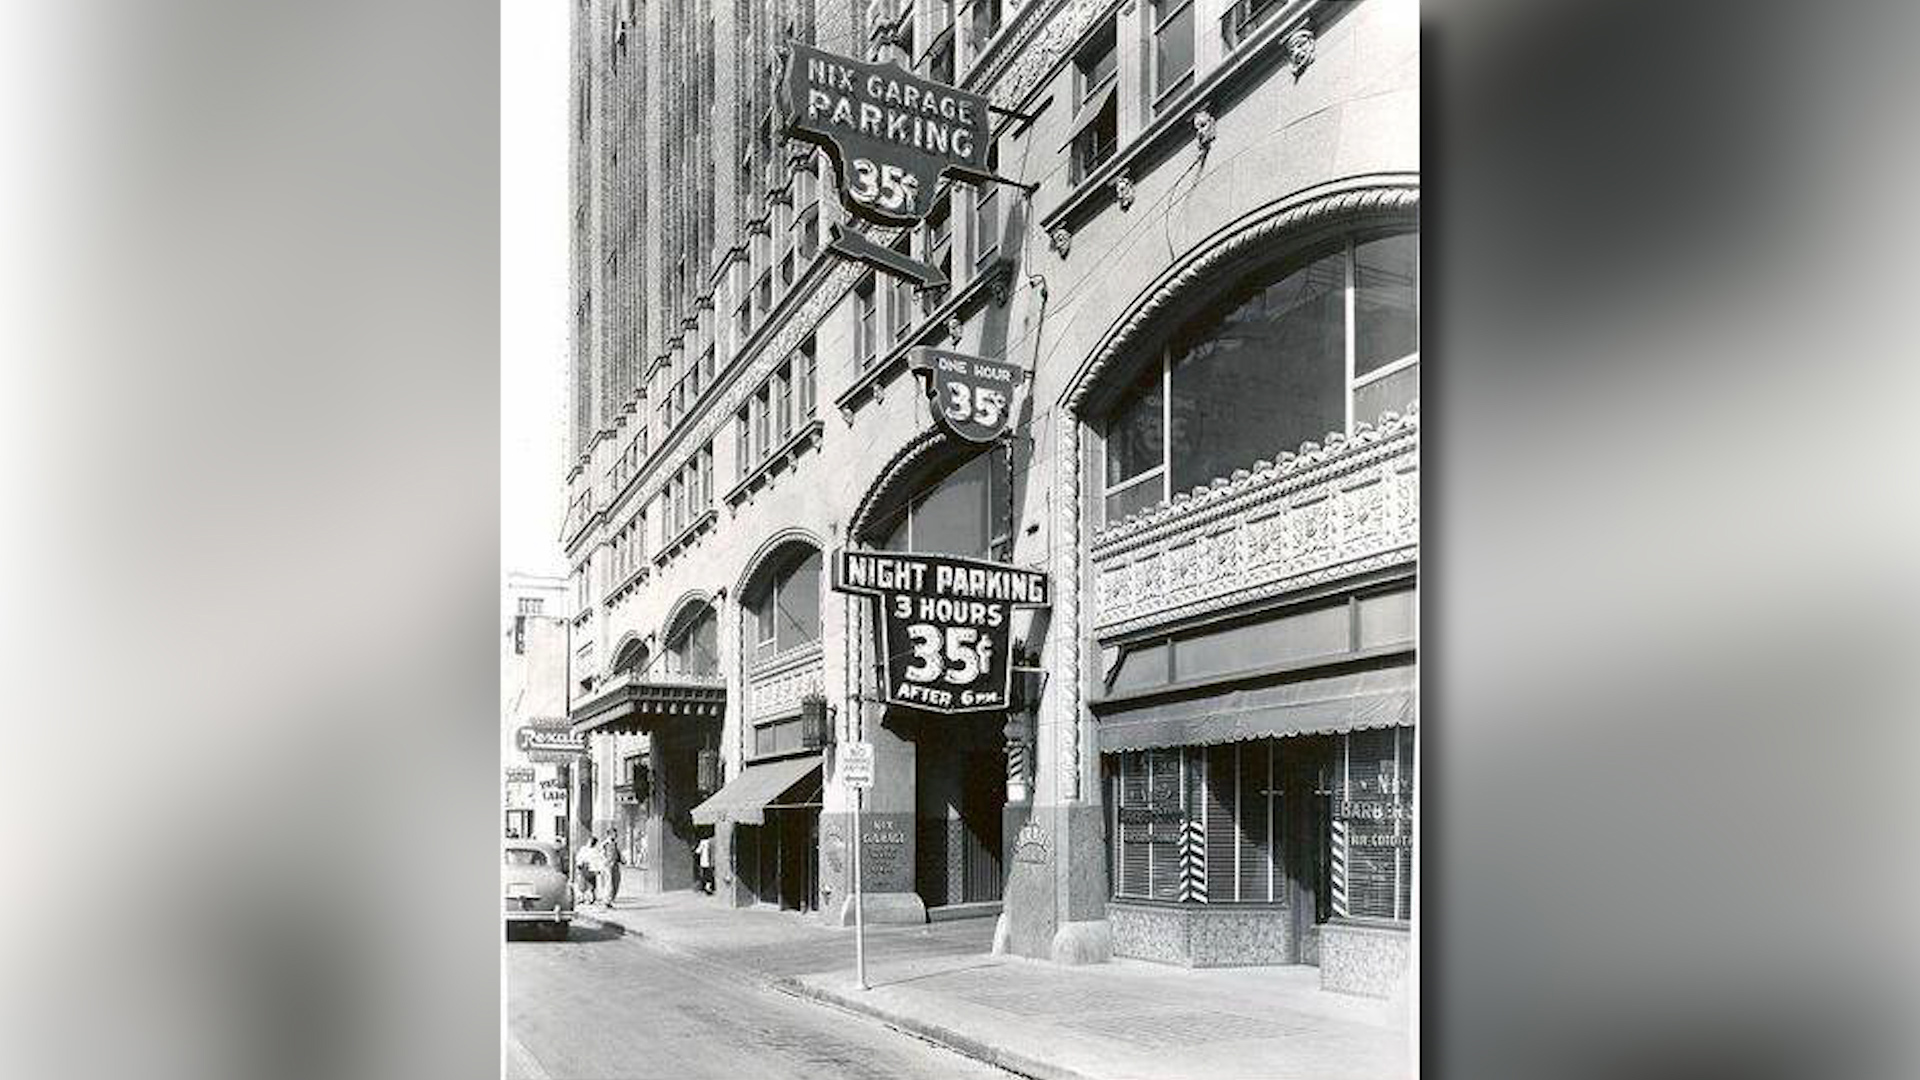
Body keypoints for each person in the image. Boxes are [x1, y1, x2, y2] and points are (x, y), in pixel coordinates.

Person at [574, 833, 599, 906]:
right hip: (584, 867)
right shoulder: (584, 849)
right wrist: (579, 864)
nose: (590, 843)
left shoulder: (595, 851)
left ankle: (591, 898)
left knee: (591, 885)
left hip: (592, 869)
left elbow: (598, 860)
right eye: (590, 841)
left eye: (592, 842)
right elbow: (579, 857)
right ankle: (581, 898)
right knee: (582, 883)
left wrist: (597, 869)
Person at [599, 832, 623, 907]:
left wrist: (621, 860)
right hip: (608, 866)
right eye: (613, 834)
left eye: (615, 834)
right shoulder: (605, 844)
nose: (614, 836)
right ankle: (607, 900)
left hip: (615, 865)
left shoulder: (615, 844)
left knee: (616, 882)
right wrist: (606, 862)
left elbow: (618, 854)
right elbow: (602, 855)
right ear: (608, 835)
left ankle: (610, 899)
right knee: (609, 883)